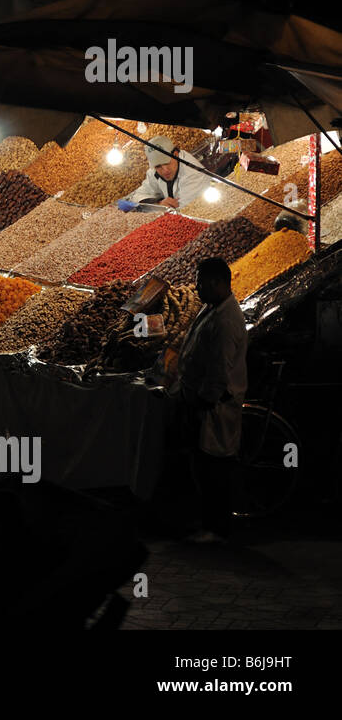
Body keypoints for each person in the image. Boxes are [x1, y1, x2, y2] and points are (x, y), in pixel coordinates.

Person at [169, 257, 248, 543]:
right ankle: (207, 523)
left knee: (214, 469)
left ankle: (217, 529)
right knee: (203, 467)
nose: (196, 287)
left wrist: (202, 403)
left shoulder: (226, 322)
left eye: (201, 282)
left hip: (213, 406)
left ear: (217, 283)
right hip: (199, 400)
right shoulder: (213, 308)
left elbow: (219, 373)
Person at [128, 135, 207, 208]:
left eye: (167, 163)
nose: (165, 170)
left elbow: (185, 210)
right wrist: (157, 203)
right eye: (158, 166)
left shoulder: (193, 174)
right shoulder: (154, 171)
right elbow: (137, 196)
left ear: (175, 155)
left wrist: (160, 207)